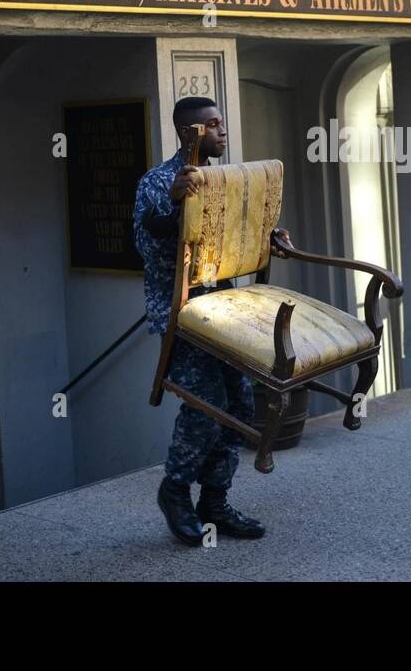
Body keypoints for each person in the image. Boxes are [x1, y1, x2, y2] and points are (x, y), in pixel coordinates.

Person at [133, 96, 266, 546]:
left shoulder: (221, 180)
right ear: (191, 133)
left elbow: (235, 233)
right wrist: (171, 207)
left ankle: (214, 502)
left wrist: (270, 238)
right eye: (212, 125)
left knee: (240, 403)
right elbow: (147, 242)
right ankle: (175, 492)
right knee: (205, 405)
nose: (221, 131)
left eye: (221, 123)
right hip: (184, 313)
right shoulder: (157, 182)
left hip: (224, 309)